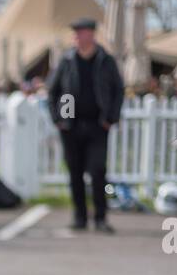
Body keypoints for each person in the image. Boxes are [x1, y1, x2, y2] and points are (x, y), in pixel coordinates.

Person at [47, 17, 124, 235]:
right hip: (71, 126)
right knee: (75, 172)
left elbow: (118, 90)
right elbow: (53, 91)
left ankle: (100, 217)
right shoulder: (67, 60)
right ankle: (80, 216)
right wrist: (59, 119)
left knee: (98, 170)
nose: (76, 37)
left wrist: (111, 117)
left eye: (80, 32)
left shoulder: (105, 60)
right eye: (75, 33)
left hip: (98, 125)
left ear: (91, 34)